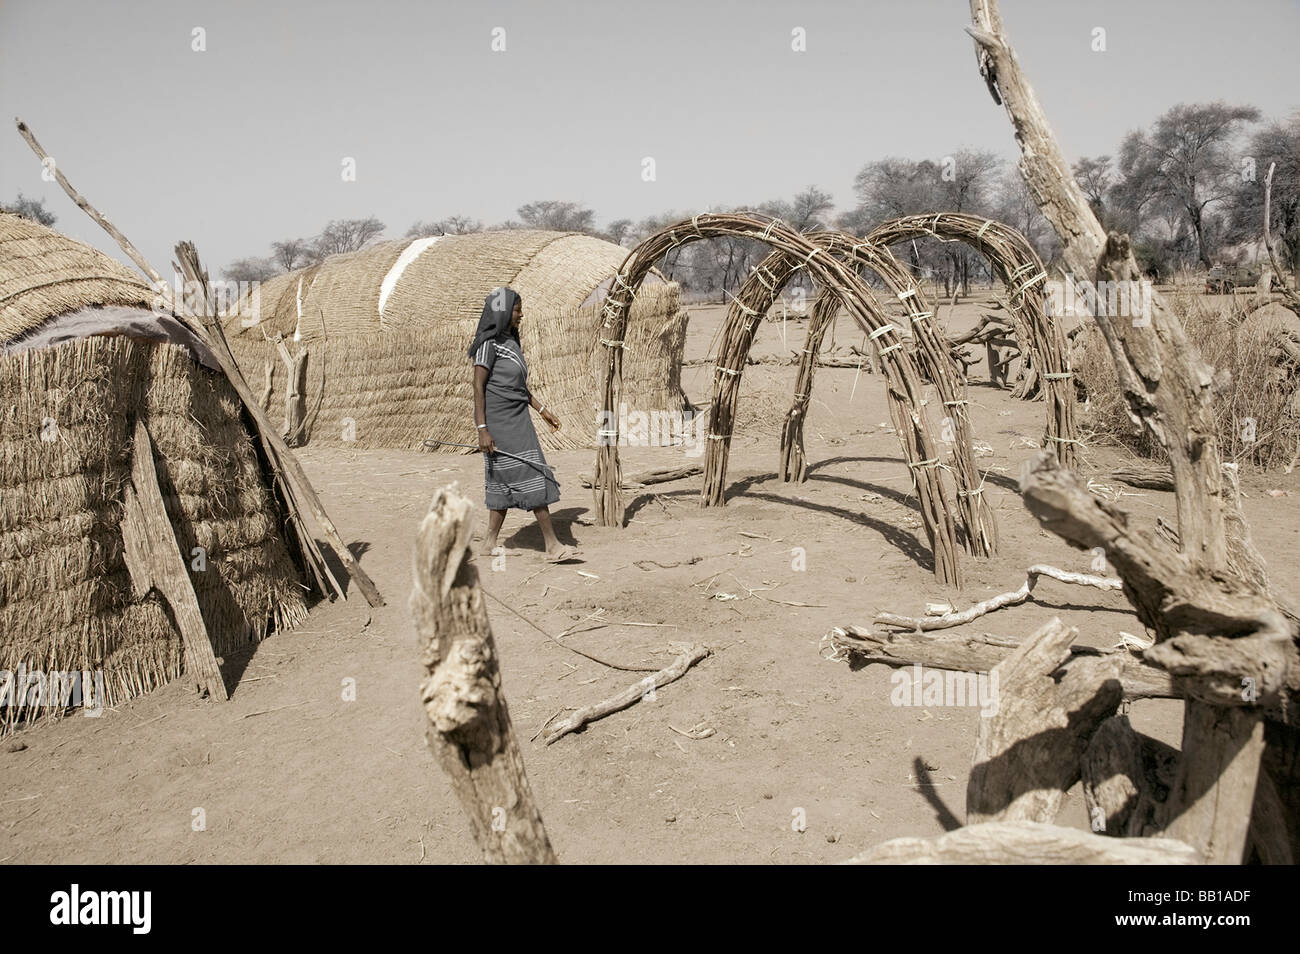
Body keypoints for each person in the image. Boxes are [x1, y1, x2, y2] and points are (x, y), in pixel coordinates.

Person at [469, 286, 577, 562]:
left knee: (504, 478)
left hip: (520, 418)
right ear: (504, 312)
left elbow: (518, 386)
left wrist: (542, 410)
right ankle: (552, 545)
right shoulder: (487, 345)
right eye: (517, 310)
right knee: (532, 472)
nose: (521, 314)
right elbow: (478, 388)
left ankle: (489, 542)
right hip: (501, 422)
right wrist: (483, 430)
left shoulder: (511, 343)